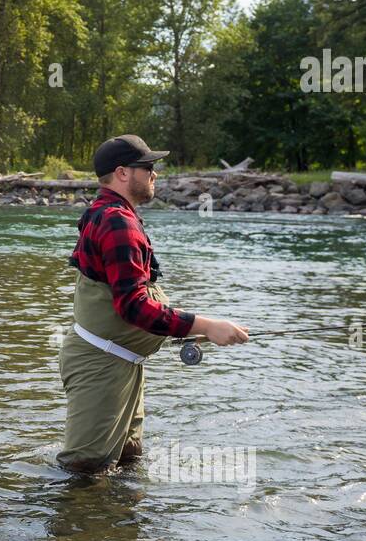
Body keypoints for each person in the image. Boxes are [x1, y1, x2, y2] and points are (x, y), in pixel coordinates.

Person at [57, 134, 249, 474]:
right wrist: (206, 325)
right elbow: (133, 307)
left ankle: (122, 527)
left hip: (121, 362)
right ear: (122, 173)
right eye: (147, 167)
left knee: (128, 463)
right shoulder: (116, 222)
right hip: (100, 366)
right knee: (83, 474)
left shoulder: (107, 213)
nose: (154, 174)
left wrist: (188, 331)